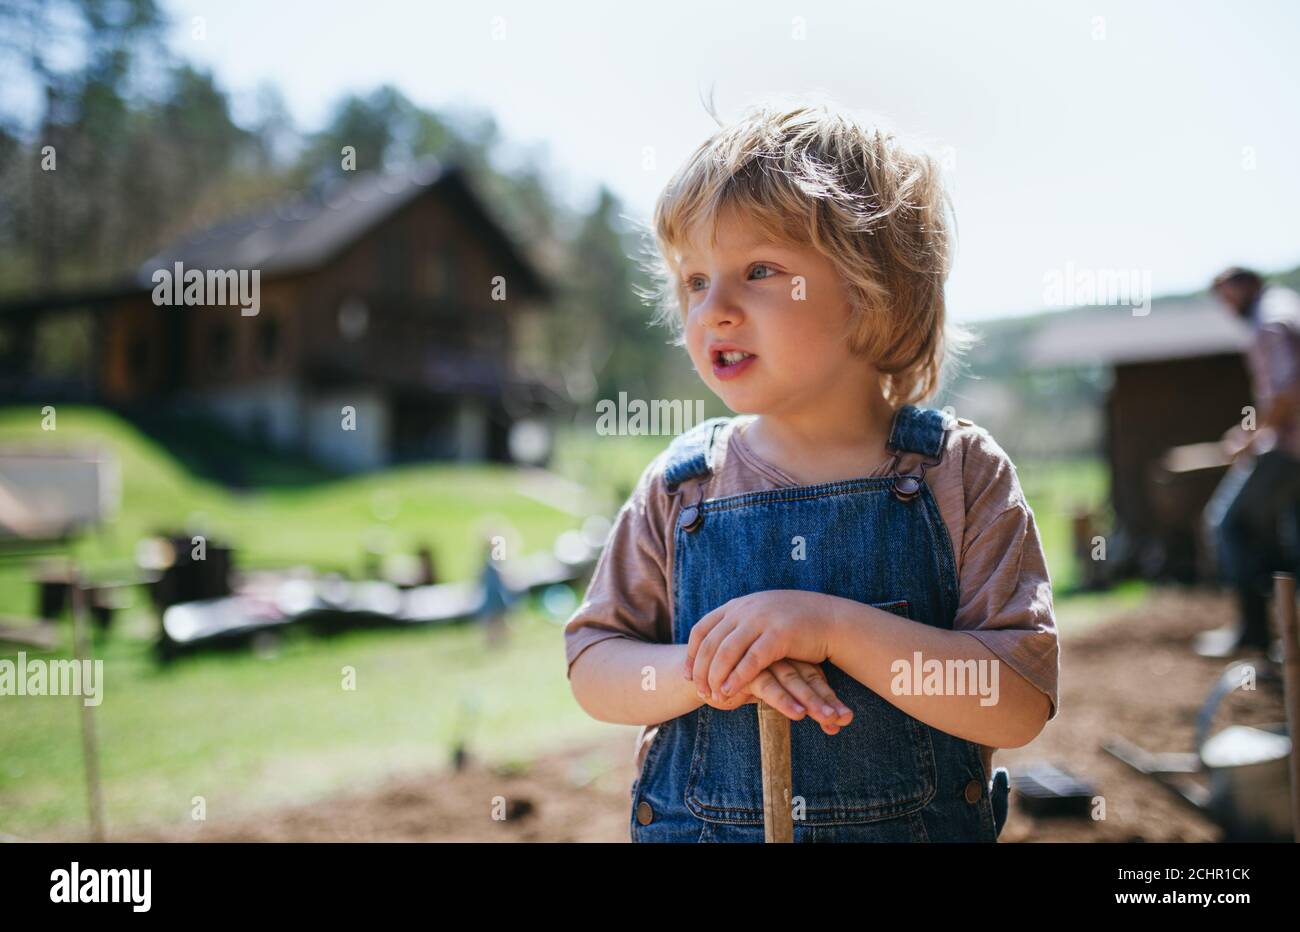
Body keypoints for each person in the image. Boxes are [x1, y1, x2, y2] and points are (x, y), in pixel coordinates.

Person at [564, 98, 1059, 842]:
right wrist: (712, 670)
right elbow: (595, 663)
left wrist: (828, 627)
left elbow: (1015, 699)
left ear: (871, 291)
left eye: (758, 270)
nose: (714, 310)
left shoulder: (957, 472)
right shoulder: (681, 486)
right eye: (695, 280)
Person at [1198, 267, 1300, 658]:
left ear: (1244, 286)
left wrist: (1249, 437)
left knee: (1229, 522)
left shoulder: (1269, 323)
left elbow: (1288, 393)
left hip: (1290, 449)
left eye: (1226, 296)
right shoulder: (1288, 304)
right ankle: (1287, 636)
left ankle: (1255, 632)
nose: (1226, 306)